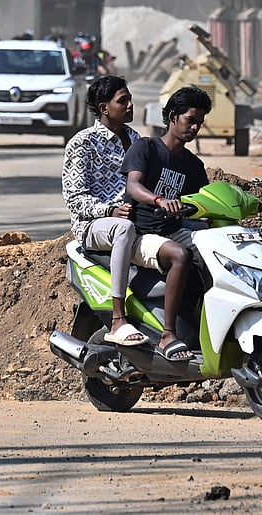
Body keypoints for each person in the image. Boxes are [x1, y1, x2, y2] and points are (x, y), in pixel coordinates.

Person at [61, 76, 191, 351]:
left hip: (137, 222)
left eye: (130, 99)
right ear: (104, 108)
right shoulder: (83, 143)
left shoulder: (137, 140)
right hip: (94, 226)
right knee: (123, 229)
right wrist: (110, 210)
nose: (131, 105)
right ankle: (118, 319)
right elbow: (74, 198)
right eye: (123, 101)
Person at [122, 85, 214, 361]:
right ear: (173, 117)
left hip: (175, 230)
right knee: (181, 255)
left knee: (216, 252)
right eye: (190, 120)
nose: (195, 127)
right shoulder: (146, 148)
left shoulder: (194, 166)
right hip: (142, 234)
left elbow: (202, 204)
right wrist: (159, 200)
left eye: (199, 122)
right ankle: (167, 335)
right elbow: (133, 186)